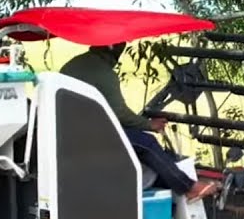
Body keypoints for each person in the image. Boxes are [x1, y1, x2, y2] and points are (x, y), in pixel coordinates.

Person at [60, 42, 220, 200]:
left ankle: (176, 183)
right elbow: (119, 113)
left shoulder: (73, 65)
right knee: (146, 143)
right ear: (112, 47)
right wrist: (149, 124)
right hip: (90, 136)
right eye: (121, 46)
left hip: (68, 132)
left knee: (139, 142)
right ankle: (188, 187)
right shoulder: (103, 72)